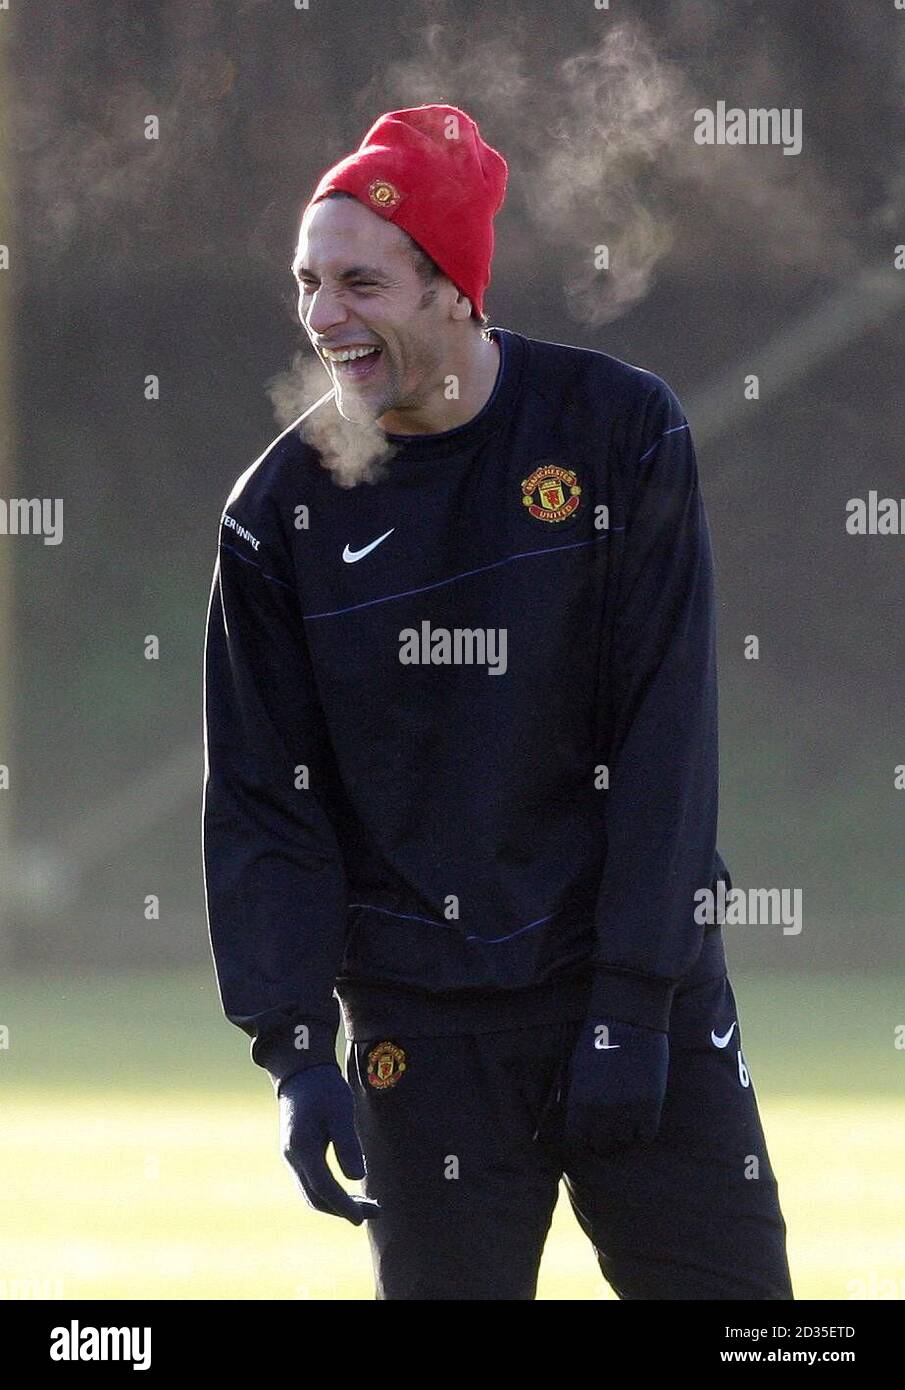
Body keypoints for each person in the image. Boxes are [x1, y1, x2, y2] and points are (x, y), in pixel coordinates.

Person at [202, 103, 793, 1301]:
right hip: (427, 1035)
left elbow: (664, 737)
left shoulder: (618, 432)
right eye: (307, 283)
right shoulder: (276, 517)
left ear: (452, 288)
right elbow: (268, 802)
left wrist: (633, 1002)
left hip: (635, 989)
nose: (323, 317)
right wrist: (295, 1047)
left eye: (358, 282)